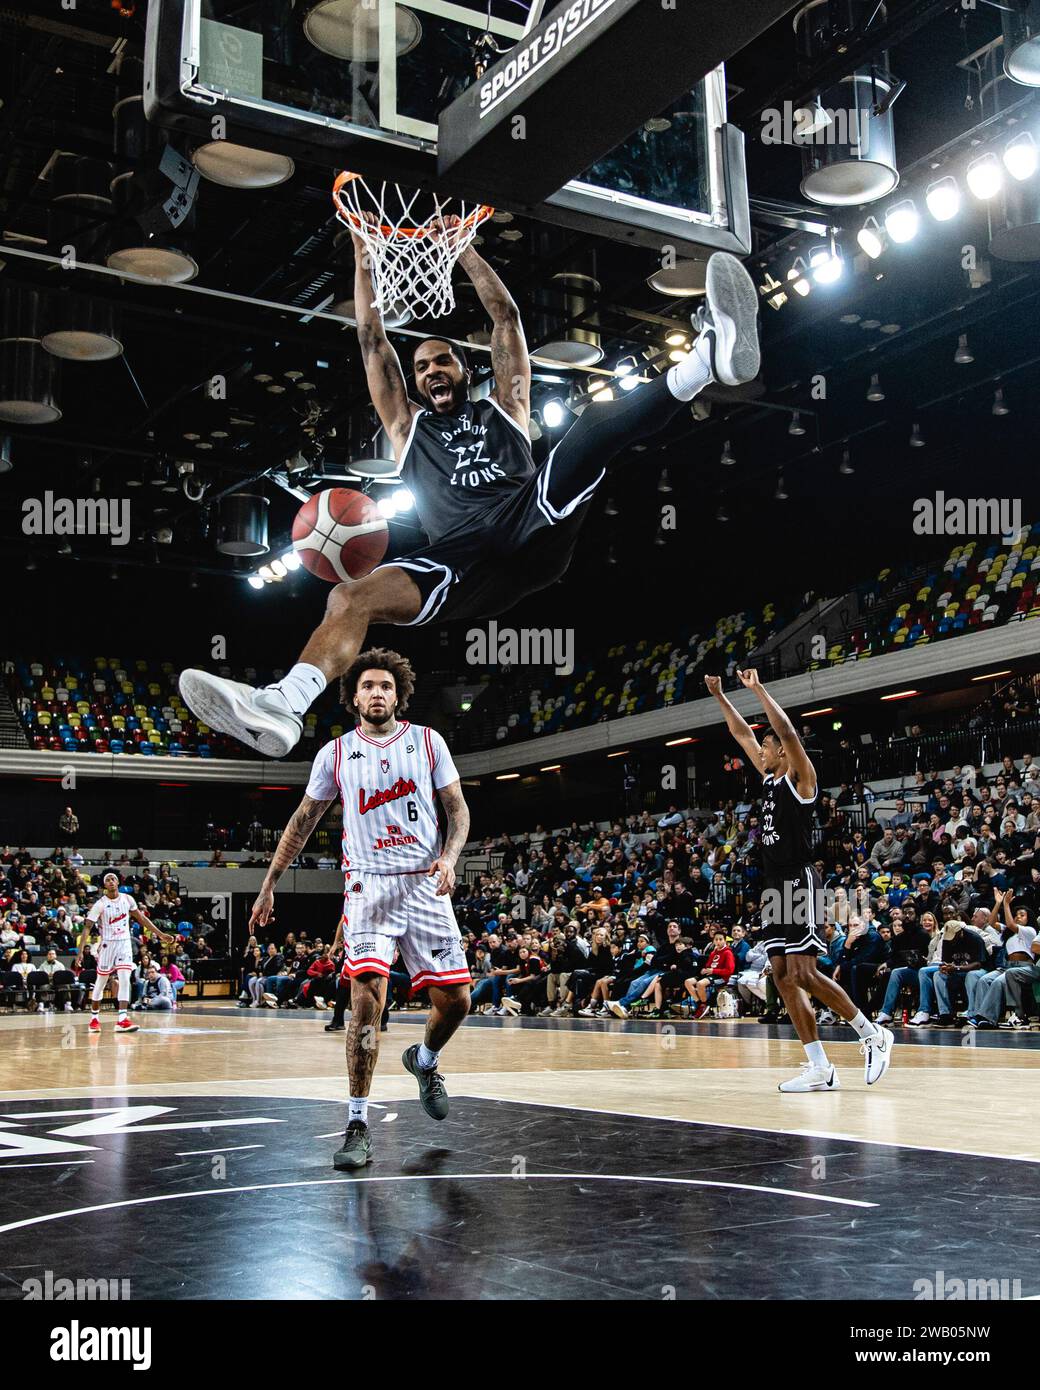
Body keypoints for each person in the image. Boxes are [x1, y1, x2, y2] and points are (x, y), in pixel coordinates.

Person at [177, 250, 761, 757]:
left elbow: (505, 317)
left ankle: (707, 360)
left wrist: (466, 251)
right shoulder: (407, 430)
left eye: (443, 360)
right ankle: (285, 703)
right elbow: (371, 338)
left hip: (526, 516)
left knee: (592, 428)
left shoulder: (505, 405)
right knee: (347, 595)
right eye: (423, 365)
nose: (432, 369)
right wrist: (361, 257)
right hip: (461, 560)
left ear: (465, 368)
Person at [248, 648, 472, 1170]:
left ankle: (425, 1060)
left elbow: (457, 810)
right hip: (367, 887)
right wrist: (268, 884)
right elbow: (303, 820)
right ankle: (357, 1123)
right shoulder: (335, 753)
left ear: (399, 695)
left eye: (386, 686)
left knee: (458, 1002)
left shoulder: (428, 742)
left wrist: (450, 857)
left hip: (424, 884)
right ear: (353, 697)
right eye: (367, 685)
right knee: (366, 999)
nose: (377, 693)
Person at [706, 670, 893, 1091]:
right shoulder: (770, 776)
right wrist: (720, 696)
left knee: (804, 973)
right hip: (773, 884)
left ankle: (873, 1034)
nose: (762, 749)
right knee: (780, 974)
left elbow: (785, 729)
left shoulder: (800, 779)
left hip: (798, 880)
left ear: (783, 752)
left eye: (768, 745)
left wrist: (757, 689)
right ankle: (820, 1068)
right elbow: (740, 734)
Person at [77, 873, 174, 1034]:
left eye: (113, 879)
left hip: (124, 943)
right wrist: (81, 951)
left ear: (118, 882)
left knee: (124, 980)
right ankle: (94, 1018)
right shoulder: (100, 904)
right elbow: (87, 927)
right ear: (104, 886)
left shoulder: (127, 899)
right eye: (107, 880)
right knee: (101, 982)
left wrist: (161, 934)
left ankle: (122, 1019)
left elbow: (142, 919)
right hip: (108, 944)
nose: (111, 882)